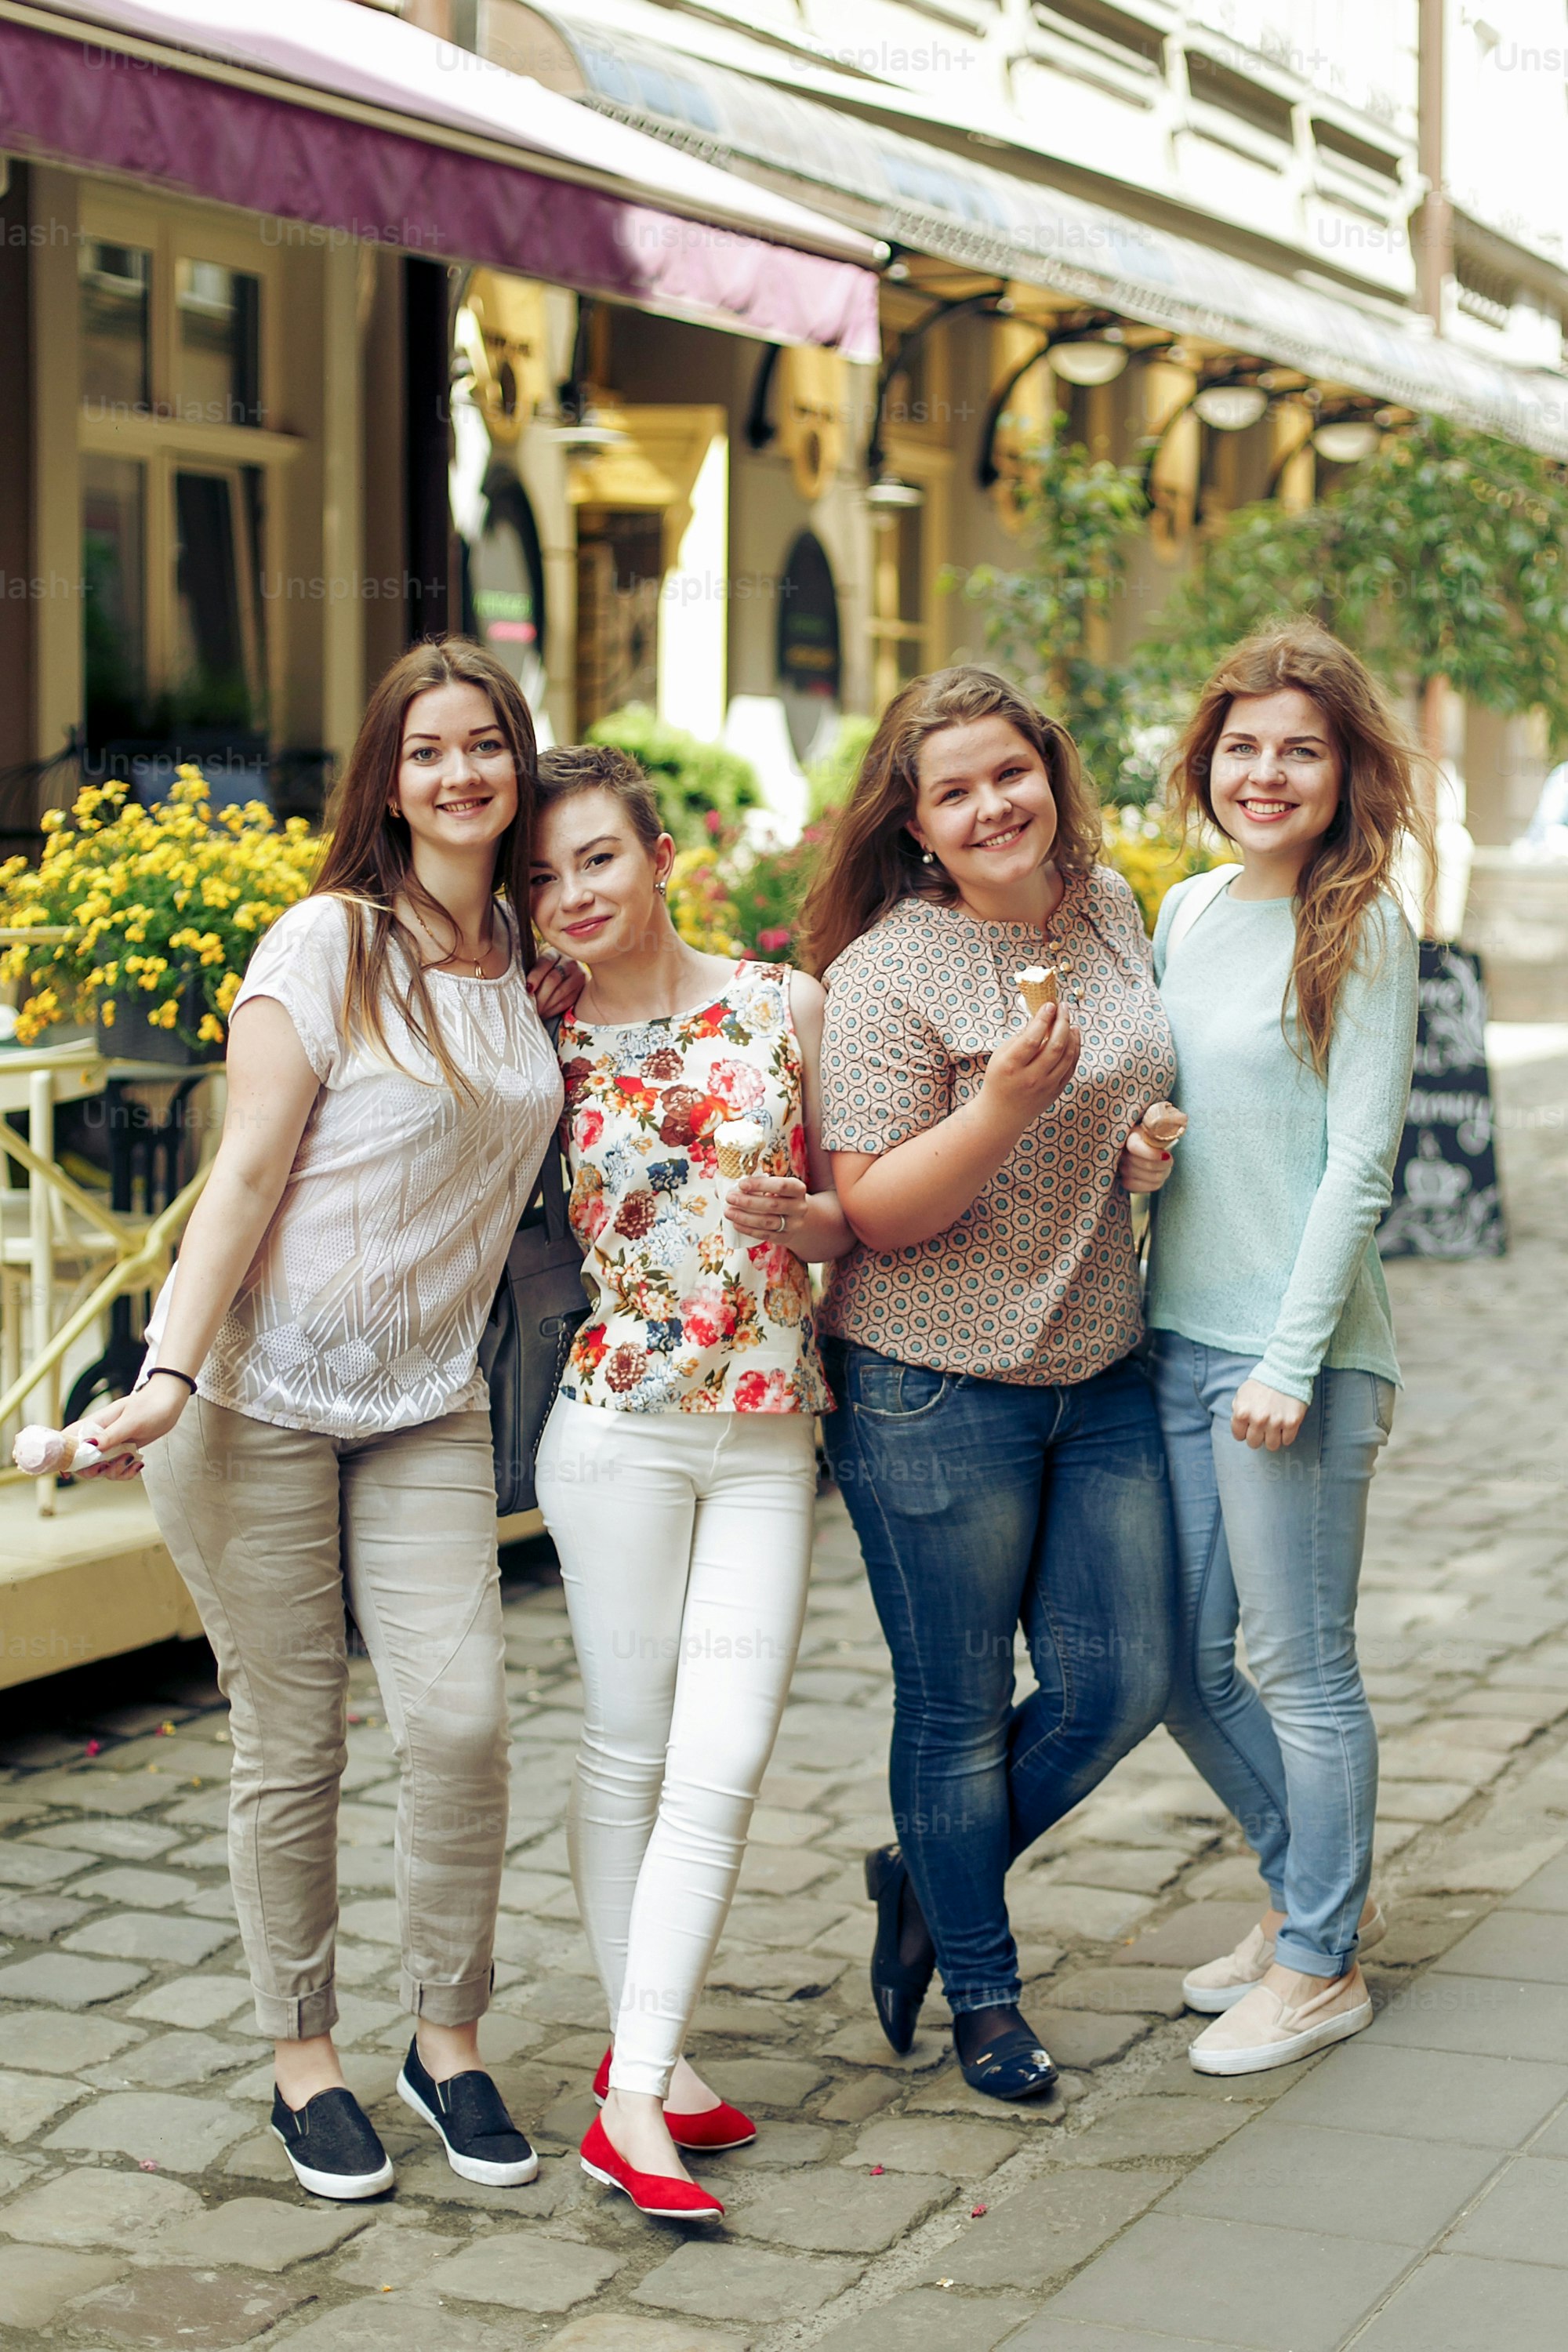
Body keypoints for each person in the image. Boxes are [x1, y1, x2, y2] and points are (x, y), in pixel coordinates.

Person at [86, 640, 572, 2198]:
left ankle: (450, 2039)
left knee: (458, 1723)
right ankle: (306, 2059)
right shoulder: (326, 945)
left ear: (518, 764)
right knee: (292, 1747)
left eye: (484, 745)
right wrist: (164, 1374)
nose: (459, 773)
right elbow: (241, 1173)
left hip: (425, 1404)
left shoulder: (529, 949)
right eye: (427, 749)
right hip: (258, 1401)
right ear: (387, 776)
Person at [798, 666, 1178, 2102]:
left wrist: (1143, 1137)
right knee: (953, 1710)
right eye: (954, 790)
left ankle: (922, 1868)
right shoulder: (885, 976)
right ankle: (982, 1994)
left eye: (1009, 773)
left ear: (1050, 773)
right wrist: (1007, 1104)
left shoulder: (1106, 905)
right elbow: (878, 1213)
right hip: (932, 1385)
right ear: (917, 822)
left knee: (1118, 1680)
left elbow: (1133, 1079)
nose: (991, 805)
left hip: (1101, 1362)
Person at [528, 743, 853, 2222]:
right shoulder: (537, 1036)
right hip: (616, 1439)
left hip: (771, 1433)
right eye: (540, 876)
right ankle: (641, 2081)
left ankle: (636, 2091)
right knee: (628, 1752)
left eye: (596, 856)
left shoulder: (786, 1006)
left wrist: (824, 1217)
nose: (571, 893)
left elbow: (858, 1210)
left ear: (663, 854)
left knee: (719, 1764)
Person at [1146, 619, 1422, 2075]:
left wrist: (1290, 1364)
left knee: (1301, 1663)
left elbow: (1358, 1171)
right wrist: (1144, 1149)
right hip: (1179, 1337)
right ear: (1210, 761)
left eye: (1298, 751)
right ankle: (1310, 1877)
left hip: (1293, 1364)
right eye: (1244, 747)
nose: (1267, 773)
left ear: (1343, 770)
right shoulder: (1186, 910)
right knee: (1186, 1664)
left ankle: (1320, 1964)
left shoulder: (1363, 921)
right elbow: (1184, 1118)